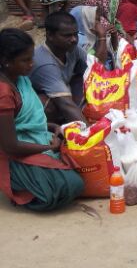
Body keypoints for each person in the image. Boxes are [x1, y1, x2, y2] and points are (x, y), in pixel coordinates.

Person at [0, 28, 84, 211]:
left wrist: (53, 126)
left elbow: (25, 122)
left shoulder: (20, 80)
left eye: (31, 58)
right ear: (6, 61)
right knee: (70, 185)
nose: (31, 64)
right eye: (25, 60)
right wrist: (49, 147)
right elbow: (10, 145)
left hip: (32, 139)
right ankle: (20, 185)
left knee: (82, 166)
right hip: (12, 154)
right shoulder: (3, 93)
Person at [28, 12, 86, 124]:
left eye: (76, 34)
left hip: (62, 92)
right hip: (34, 106)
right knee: (50, 104)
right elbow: (65, 104)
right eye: (67, 35)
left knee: (85, 78)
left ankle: (73, 118)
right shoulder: (45, 63)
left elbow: (95, 68)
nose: (74, 39)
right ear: (50, 35)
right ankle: (50, 131)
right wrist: (92, 134)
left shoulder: (73, 48)